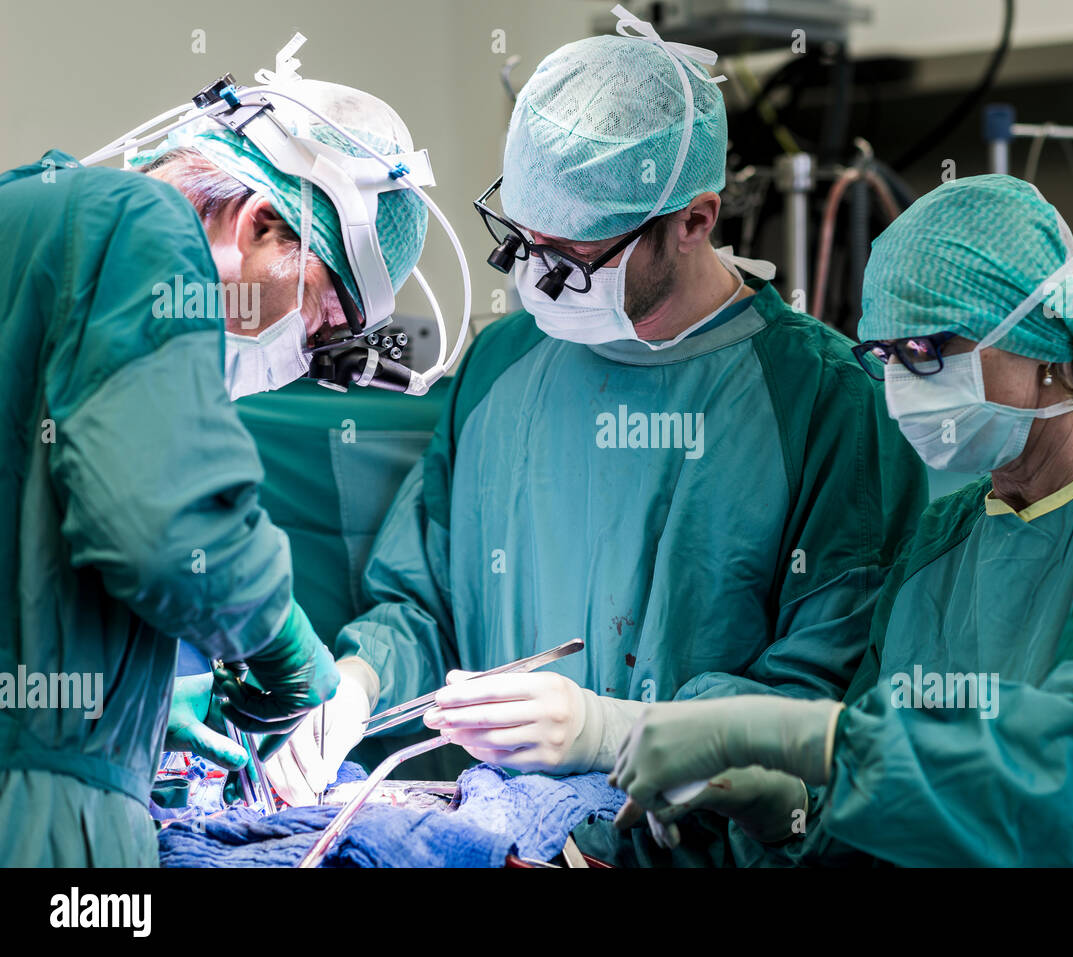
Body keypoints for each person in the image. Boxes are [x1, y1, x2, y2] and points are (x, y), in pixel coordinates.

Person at [265, 8, 927, 866]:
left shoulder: (826, 404)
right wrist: (356, 685)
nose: (536, 279)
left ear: (694, 220)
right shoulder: (502, 365)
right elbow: (421, 603)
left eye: (573, 258)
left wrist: (619, 735)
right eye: (522, 242)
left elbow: (820, 708)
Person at [609, 174, 1073, 867]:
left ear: (1039, 338)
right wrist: (786, 813)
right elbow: (899, 805)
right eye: (885, 356)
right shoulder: (941, 542)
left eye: (925, 350)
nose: (901, 387)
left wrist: (808, 738)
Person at [0, 43, 438, 865]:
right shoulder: (141, 227)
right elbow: (162, 522)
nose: (303, 357)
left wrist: (120, 705)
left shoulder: (30, 218)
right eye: (319, 316)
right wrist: (282, 639)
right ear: (260, 223)